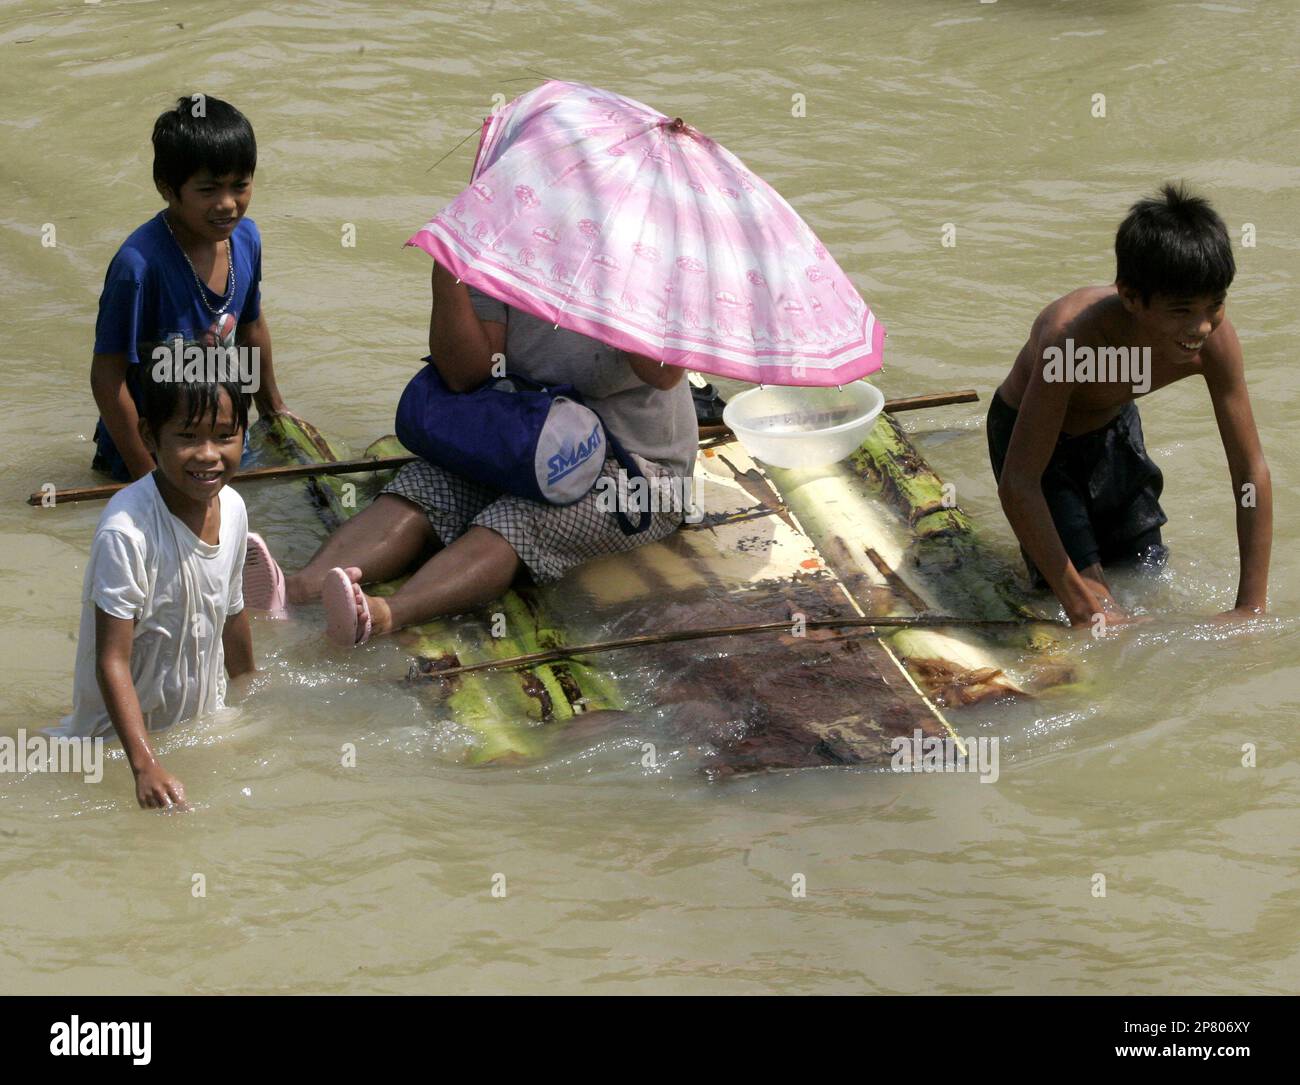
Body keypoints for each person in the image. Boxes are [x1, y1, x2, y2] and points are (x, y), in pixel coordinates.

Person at [241, 261, 698, 646]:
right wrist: (450, 272)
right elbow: (468, 374)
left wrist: (621, 279)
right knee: (423, 487)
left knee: (518, 520)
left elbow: (661, 374)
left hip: (636, 470)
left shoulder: (644, 257)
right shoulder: (508, 239)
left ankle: (382, 615)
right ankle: (295, 588)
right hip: (525, 440)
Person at [988, 183, 1271, 629]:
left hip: (1113, 424)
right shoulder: (1073, 341)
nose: (1200, 326)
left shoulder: (1215, 343)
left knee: (1144, 572)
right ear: (1131, 297)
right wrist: (1082, 606)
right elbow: (1019, 483)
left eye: (1214, 305)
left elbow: (1250, 472)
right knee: (1095, 609)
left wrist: (1250, 608)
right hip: (1038, 440)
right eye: (1181, 310)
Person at [49, 366, 255, 808]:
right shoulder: (127, 532)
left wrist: (251, 691)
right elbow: (113, 660)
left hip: (199, 725)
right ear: (148, 437)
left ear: (244, 437)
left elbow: (233, 614)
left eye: (224, 436)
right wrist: (143, 765)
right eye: (187, 437)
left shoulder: (235, 509)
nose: (207, 455)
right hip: (111, 748)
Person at [89, 94, 292, 482]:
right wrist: (149, 478)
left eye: (240, 186)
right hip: (150, 450)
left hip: (223, 437)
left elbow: (250, 327)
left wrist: (273, 410)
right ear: (167, 187)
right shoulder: (138, 267)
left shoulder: (246, 240)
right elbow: (107, 378)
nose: (228, 204)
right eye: (208, 190)